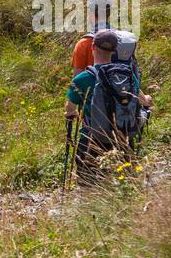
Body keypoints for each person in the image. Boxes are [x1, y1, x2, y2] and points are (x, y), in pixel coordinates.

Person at [65, 30, 153, 182]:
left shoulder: (83, 78)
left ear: (93, 47)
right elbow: (144, 100)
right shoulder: (126, 74)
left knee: (88, 185)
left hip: (93, 140)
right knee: (124, 181)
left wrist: (72, 113)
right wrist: (147, 98)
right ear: (114, 51)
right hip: (123, 138)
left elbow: (70, 109)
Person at [73, 0, 115, 74]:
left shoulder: (83, 44)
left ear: (91, 13)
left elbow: (77, 82)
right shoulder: (120, 38)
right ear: (109, 13)